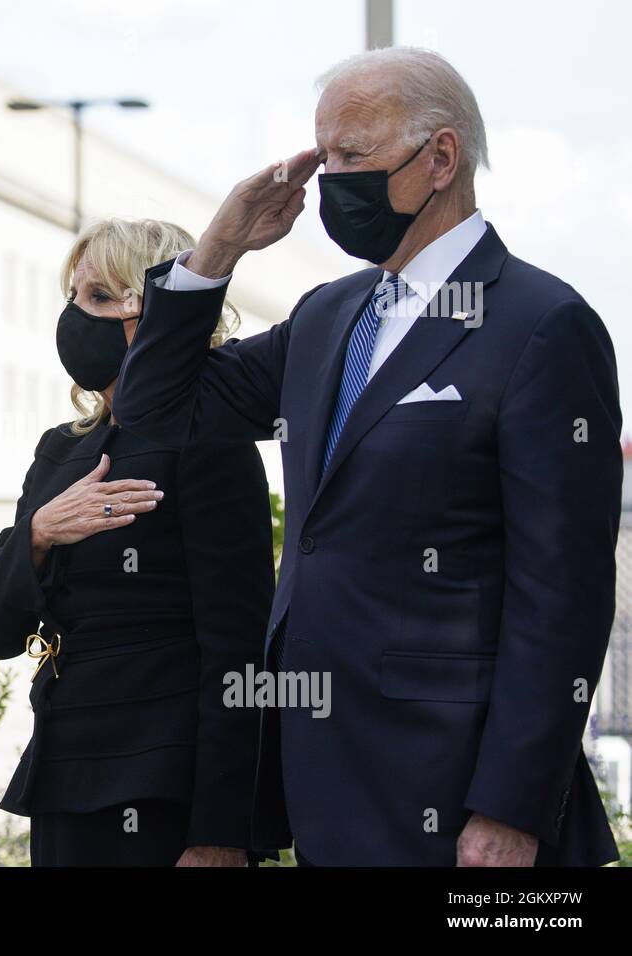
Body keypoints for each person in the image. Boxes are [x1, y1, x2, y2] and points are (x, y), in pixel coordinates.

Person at [114, 47, 620, 867]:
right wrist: (218, 249)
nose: (330, 181)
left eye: (353, 156)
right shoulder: (327, 315)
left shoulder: (543, 323)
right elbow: (155, 411)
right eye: (324, 157)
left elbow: (561, 596)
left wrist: (510, 809)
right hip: (322, 786)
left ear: (441, 159)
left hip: (456, 796)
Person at [0, 218, 274, 866]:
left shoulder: (210, 436)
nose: (78, 316)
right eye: (75, 296)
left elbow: (239, 646)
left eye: (101, 297)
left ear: (157, 310)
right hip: (63, 768)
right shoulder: (61, 449)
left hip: (166, 787)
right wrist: (40, 534)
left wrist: (219, 833)